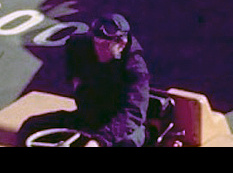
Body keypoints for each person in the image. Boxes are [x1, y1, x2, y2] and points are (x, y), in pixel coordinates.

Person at [18, 13, 151, 147]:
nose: (98, 50)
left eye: (105, 46)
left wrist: (99, 141)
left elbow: (133, 114)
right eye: (96, 44)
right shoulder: (81, 46)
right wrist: (76, 81)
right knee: (31, 126)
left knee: (127, 144)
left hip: (120, 125)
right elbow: (72, 52)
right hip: (89, 116)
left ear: (122, 44)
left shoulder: (136, 69)